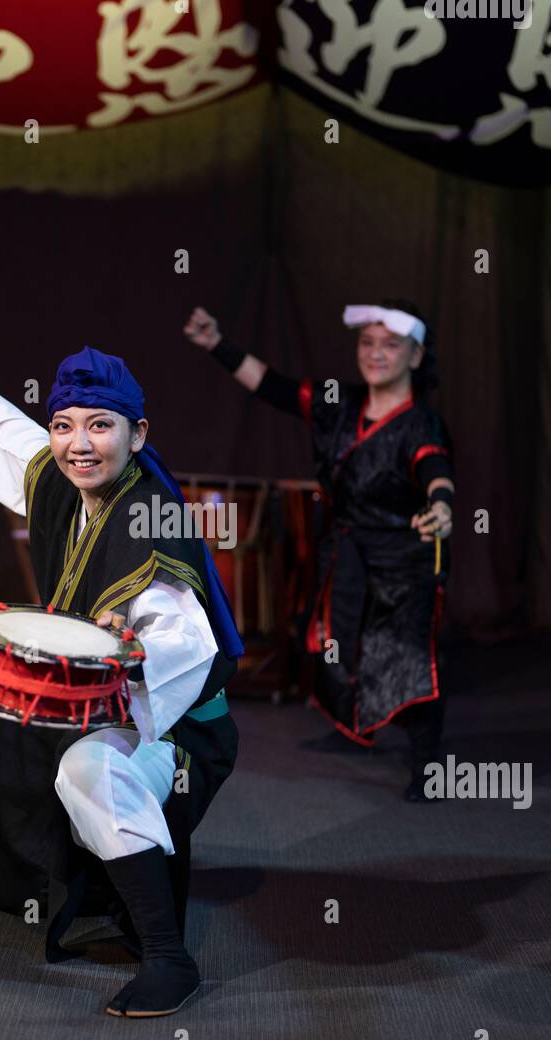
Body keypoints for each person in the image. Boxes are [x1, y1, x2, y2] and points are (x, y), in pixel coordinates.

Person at [0, 335, 243, 1016]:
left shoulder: (152, 514)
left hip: (178, 731)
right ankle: (72, 884)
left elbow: (181, 637)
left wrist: (135, 646)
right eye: (66, 425)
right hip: (109, 704)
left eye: (100, 425)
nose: (77, 443)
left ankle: (169, 957)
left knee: (87, 771)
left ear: (137, 432)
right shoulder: (65, 480)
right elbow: (10, 435)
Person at [183, 300, 453, 802]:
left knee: (404, 656)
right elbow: (275, 387)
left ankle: (428, 763)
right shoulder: (340, 403)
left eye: (390, 345)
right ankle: (355, 727)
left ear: (415, 357)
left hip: (405, 557)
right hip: (349, 551)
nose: (376, 354)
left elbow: (435, 469)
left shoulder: (421, 424)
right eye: (367, 343)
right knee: (334, 643)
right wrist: (216, 343)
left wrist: (442, 503)